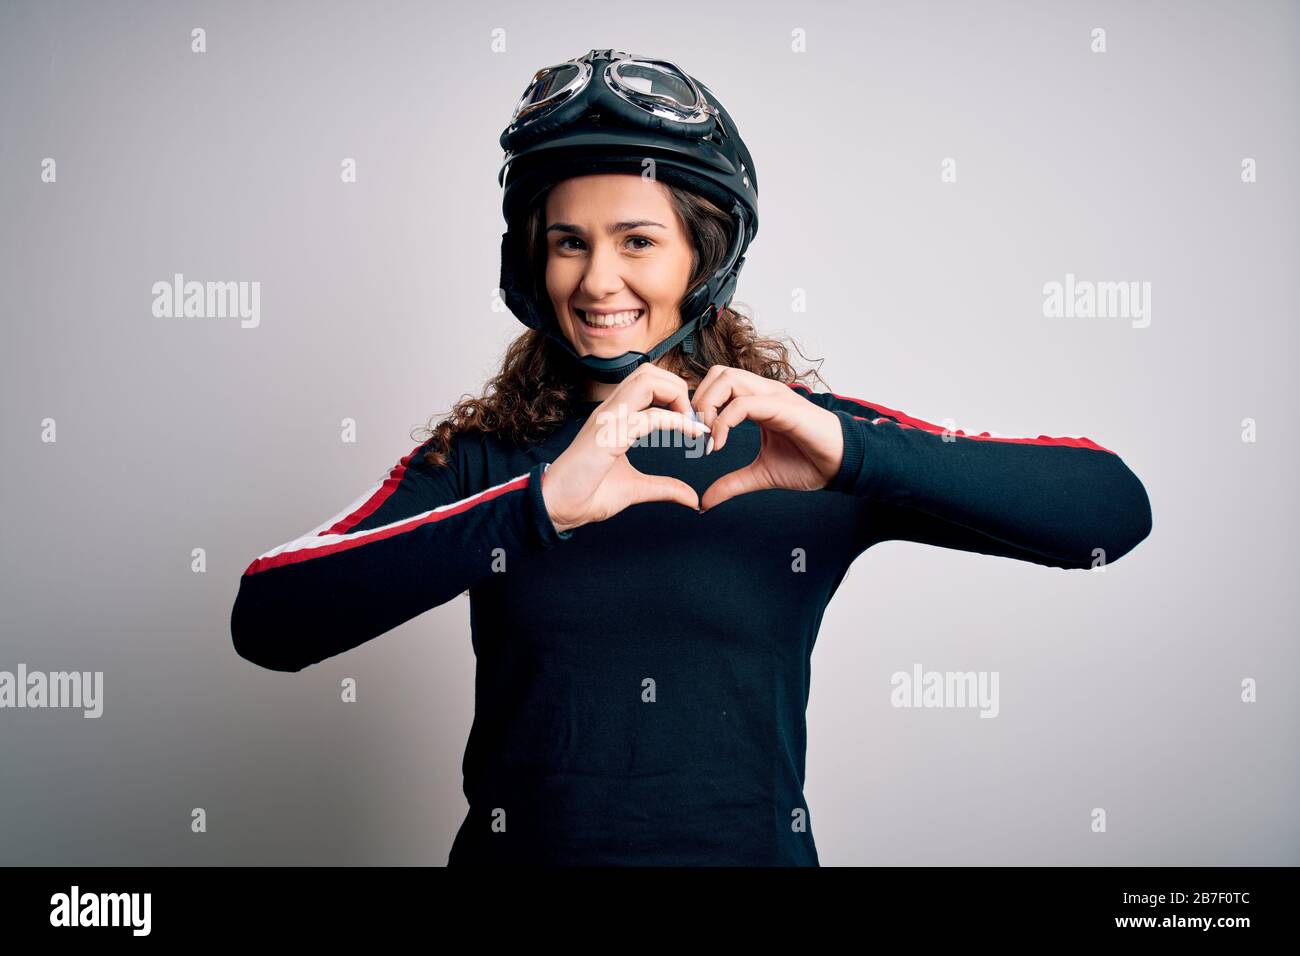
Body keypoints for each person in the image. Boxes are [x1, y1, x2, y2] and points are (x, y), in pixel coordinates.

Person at [229, 50, 1153, 865]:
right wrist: (537, 507)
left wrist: (853, 454)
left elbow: (1110, 511)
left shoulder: (803, 444)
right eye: (568, 243)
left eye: (638, 240)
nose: (597, 279)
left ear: (703, 256)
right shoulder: (489, 460)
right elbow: (270, 619)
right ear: (531, 261)